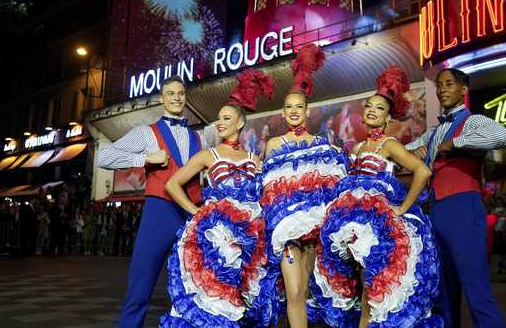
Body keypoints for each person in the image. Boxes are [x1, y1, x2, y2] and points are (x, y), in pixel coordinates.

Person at [312, 66, 440, 328]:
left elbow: (423, 171)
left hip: (379, 225)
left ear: (387, 117)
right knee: (359, 288)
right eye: (369, 106)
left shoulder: (389, 144)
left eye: (379, 108)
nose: (371, 110)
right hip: (350, 224)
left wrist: (404, 207)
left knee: (374, 291)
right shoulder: (357, 148)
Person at [160, 69, 278, 328]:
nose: (220, 123)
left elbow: (264, 195)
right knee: (213, 291)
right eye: (218, 119)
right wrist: (196, 211)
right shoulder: (208, 155)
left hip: (249, 235)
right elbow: (172, 183)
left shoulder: (252, 158)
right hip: (216, 233)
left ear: (240, 123)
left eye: (226, 118)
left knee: (243, 291)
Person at [96, 77, 208, 328]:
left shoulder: (198, 137)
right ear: (162, 98)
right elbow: (104, 156)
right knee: (140, 286)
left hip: (191, 214)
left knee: (197, 289)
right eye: (171, 93)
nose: (177, 98)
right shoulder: (147, 133)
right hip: (159, 213)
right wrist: (146, 158)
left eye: (180, 93)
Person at [407, 68, 506, 328]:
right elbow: (403, 152)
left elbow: (500, 136)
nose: (442, 89)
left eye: (449, 84)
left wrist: (455, 143)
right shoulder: (432, 132)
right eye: (439, 85)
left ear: (463, 90)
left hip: (464, 207)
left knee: (477, 290)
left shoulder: (473, 121)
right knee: (444, 291)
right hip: (435, 211)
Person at [260, 44, 348, 328]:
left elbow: (331, 185)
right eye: (289, 108)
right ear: (283, 113)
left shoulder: (320, 143)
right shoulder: (274, 144)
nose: (294, 112)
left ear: (307, 112)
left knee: (306, 290)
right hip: (285, 230)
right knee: (294, 290)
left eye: (299, 107)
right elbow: (266, 184)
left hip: (313, 230)